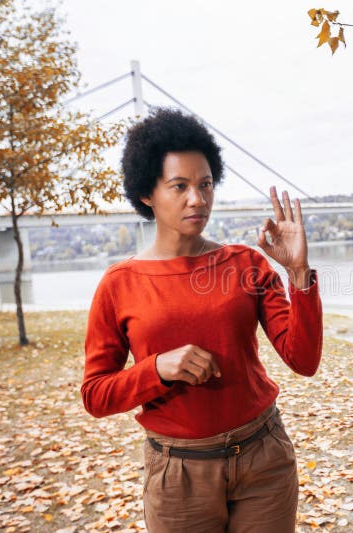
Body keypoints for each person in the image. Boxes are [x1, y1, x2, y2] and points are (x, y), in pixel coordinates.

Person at [81, 107, 322, 532]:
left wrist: (298, 274)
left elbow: (303, 360)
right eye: (180, 186)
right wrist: (156, 368)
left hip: (264, 462)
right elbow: (96, 395)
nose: (199, 198)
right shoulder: (119, 284)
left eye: (206, 184)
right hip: (178, 478)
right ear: (146, 194)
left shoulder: (246, 264)